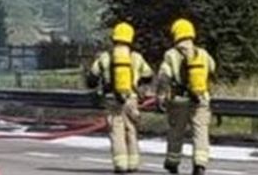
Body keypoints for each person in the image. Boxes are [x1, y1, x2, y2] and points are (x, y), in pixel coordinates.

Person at [86, 22, 154, 174]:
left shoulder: (105, 57)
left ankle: (120, 164)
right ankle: (133, 164)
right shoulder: (135, 57)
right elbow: (149, 75)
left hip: (112, 99)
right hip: (131, 99)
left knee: (116, 131)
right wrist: (136, 82)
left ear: (114, 38)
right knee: (131, 130)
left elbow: (92, 79)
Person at [156, 18, 217, 175]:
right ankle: (200, 164)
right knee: (201, 132)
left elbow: (164, 77)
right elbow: (212, 69)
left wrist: (161, 96)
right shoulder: (202, 53)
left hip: (179, 100)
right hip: (201, 99)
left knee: (176, 132)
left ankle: (172, 163)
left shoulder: (171, 55)